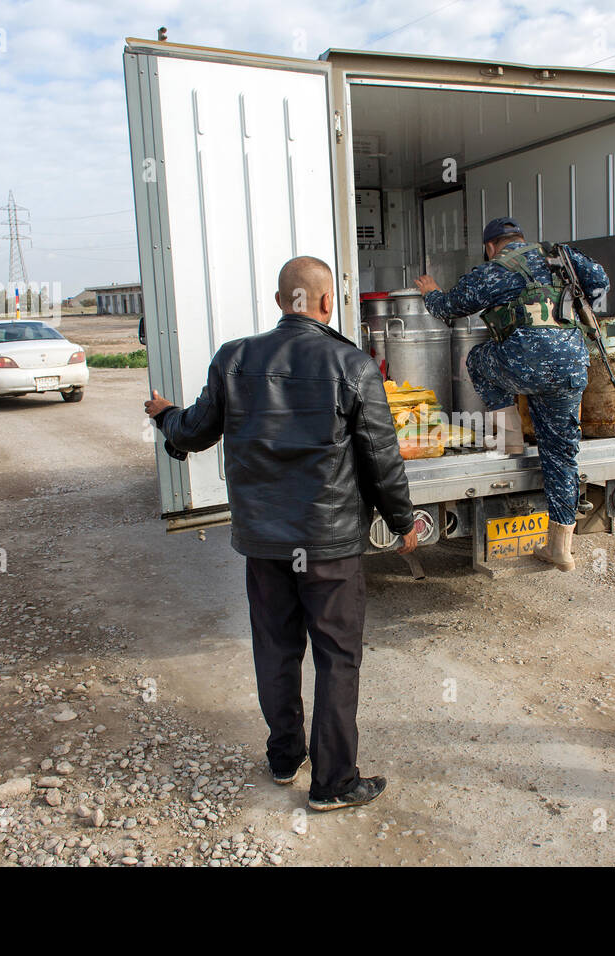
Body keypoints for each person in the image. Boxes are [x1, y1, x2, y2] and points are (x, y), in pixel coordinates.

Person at [145, 255, 418, 812]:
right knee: (337, 657)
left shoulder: (235, 359)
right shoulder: (354, 365)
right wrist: (402, 520)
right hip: (330, 544)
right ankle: (334, 782)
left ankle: (284, 757)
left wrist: (165, 416)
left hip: (267, 543)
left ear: (278, 303)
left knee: (276, 649)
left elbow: (194, 432)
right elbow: (380, 457)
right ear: (326, 304)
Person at [415, 217, 608, 572]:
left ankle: (511, 439)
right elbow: (600, 282)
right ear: (522, 238)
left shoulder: (495, 270)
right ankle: (561, 547)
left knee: (477, 358)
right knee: (561, 451)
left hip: (525, 364)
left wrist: (430, 291)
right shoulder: (559, 256)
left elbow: (449, 309)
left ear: (490, 247)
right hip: (571, 363)